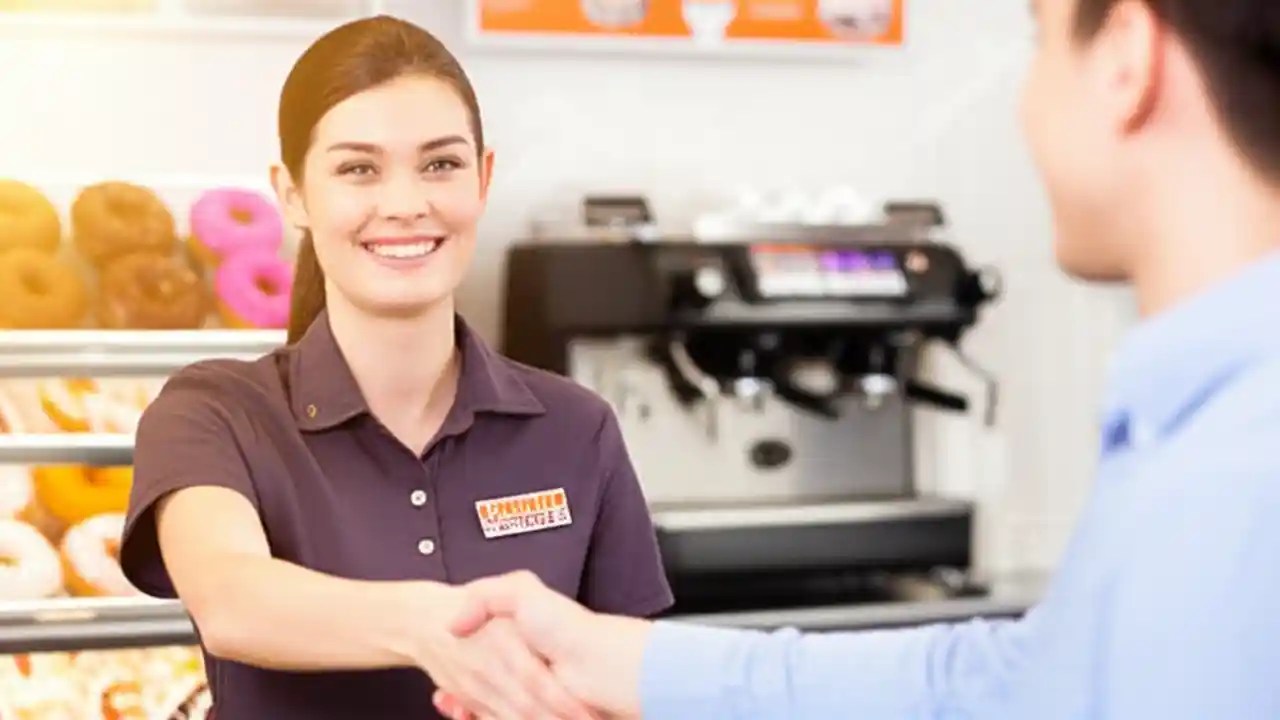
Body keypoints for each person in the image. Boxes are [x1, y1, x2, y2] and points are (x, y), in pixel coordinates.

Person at [432, 0, 1280, 717]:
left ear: (1127, 62)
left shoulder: (1230, 474)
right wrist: (624, 660)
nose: (1025, 103)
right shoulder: (1209, 426)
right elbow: (1009, 683)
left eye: (1040, 43)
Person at [118, 15, 673, 720]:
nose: (407, 205)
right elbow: (232, 599)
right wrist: (430, 626)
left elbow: (630, 678)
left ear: (484, 177)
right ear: (292, 195)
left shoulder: (576, 428)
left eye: (441, 164)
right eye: (358, 169)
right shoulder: (216, 412)